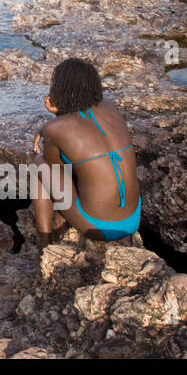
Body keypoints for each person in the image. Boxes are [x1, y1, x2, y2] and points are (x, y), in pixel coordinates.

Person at [31, 58, 141, 247]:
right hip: (133, 218)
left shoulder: (55, 128)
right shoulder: (109, 105)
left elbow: (56, 170)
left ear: (60, 89)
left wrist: (52, 121)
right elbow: (81, 124)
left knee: (39, 165)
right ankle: (60, 223)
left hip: (98, 226)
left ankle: (44, 240)